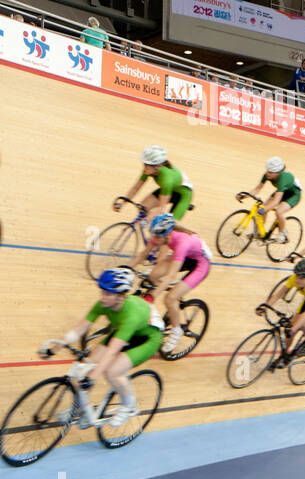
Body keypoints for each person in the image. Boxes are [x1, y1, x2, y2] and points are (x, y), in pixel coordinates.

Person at [39, 267, 161, 428]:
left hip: (148, 338)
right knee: (84, 367)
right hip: (124, 331)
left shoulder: (131, 315)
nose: (103, 297)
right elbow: (79, 329)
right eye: (102, 292)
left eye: (108, 294)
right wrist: (55, 348)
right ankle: (80, 408)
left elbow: (111, 352)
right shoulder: (104, 303)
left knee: (112, 372)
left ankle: (128, 405)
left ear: (121, 296)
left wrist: (92, 378)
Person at [141, 213, 212, 354]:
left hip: (200, 264)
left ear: (166, 235)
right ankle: (161, 308)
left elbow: (171, 275)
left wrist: (153, 296)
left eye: (157, 237)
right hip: (187, 256)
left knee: (170, 298)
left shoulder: (182, 242)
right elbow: (141, 255)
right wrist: (125, 269)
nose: (153, 239)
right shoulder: (161, 235)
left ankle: (176, 331)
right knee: (152, 276)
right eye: (153, 235)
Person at [259, 258, 305, 361]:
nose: (298, 280)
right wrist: (265, 306)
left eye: (302, 278)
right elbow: (278, 295)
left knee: (301, 322)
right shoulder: (294, 279)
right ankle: (283, 356)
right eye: (297, 276)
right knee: (292, 328)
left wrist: (293, 330)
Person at [119, 145, 194, 222]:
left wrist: (146, 220)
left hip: (183, 196)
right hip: (170, 190)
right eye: (144, 164)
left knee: (169, 225)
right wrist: (123, 203)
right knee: (143, 208)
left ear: (157, 166)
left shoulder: (167, 179)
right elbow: (136, 187)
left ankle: (189, 234)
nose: (144, 168)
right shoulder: (149, 170)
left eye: (147, 165)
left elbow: (161, 208)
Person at [241, 155, 301, 244]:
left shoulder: (282, 179)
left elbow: (276, 201)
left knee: (278, 212)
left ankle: (283, 233)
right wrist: (245, 196)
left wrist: (263, 209)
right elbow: (257, 189)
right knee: (263, 208)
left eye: (271, 172)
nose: (268, 173)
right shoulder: (267, 175)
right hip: (281, 192)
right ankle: (259, 232)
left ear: (278, 173)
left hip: (293, 195)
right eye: (267, 171)